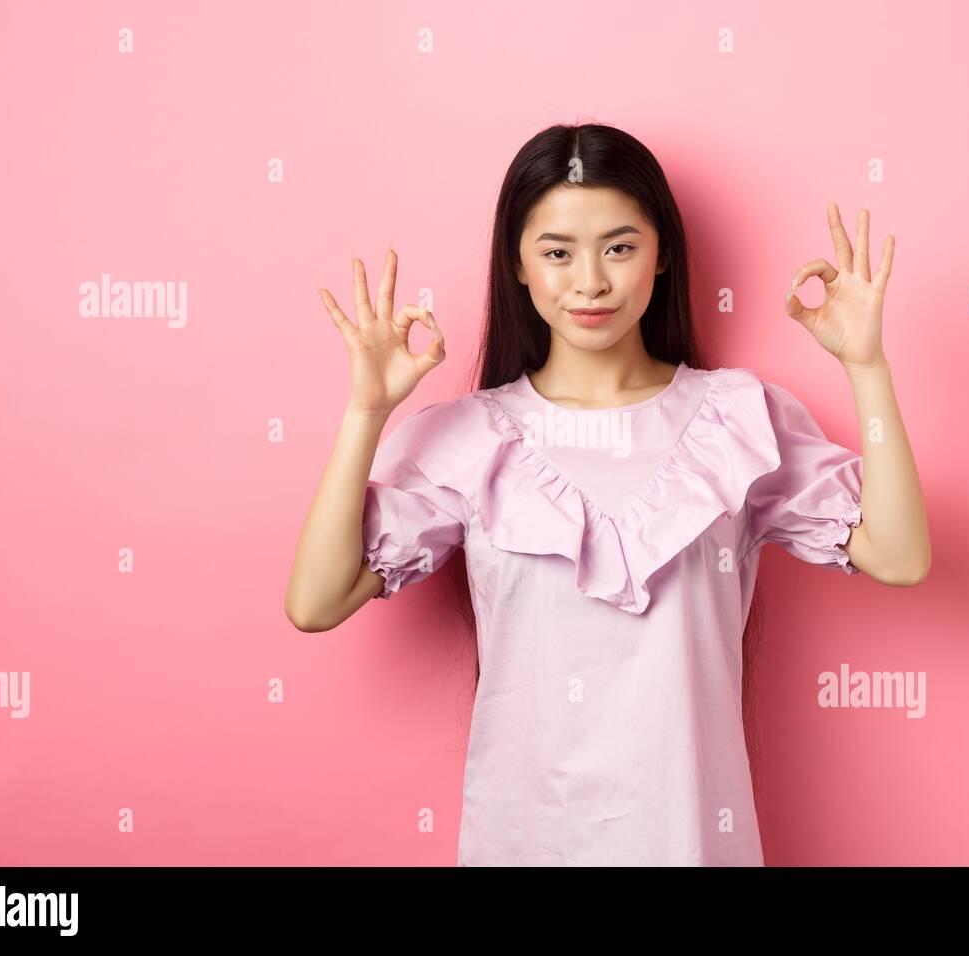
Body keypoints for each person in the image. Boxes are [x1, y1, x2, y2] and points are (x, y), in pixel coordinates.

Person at [284, 123, 931, 866]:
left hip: (692, 842)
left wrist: (867, 367)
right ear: (517, 264)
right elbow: (315, 603)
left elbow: (900, 557)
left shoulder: (738, 418)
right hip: (524, 844)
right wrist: (366, 411)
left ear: (662, 256)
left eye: (619, 248)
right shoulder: (471, 438)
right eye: (557, 253)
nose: (590, 281)